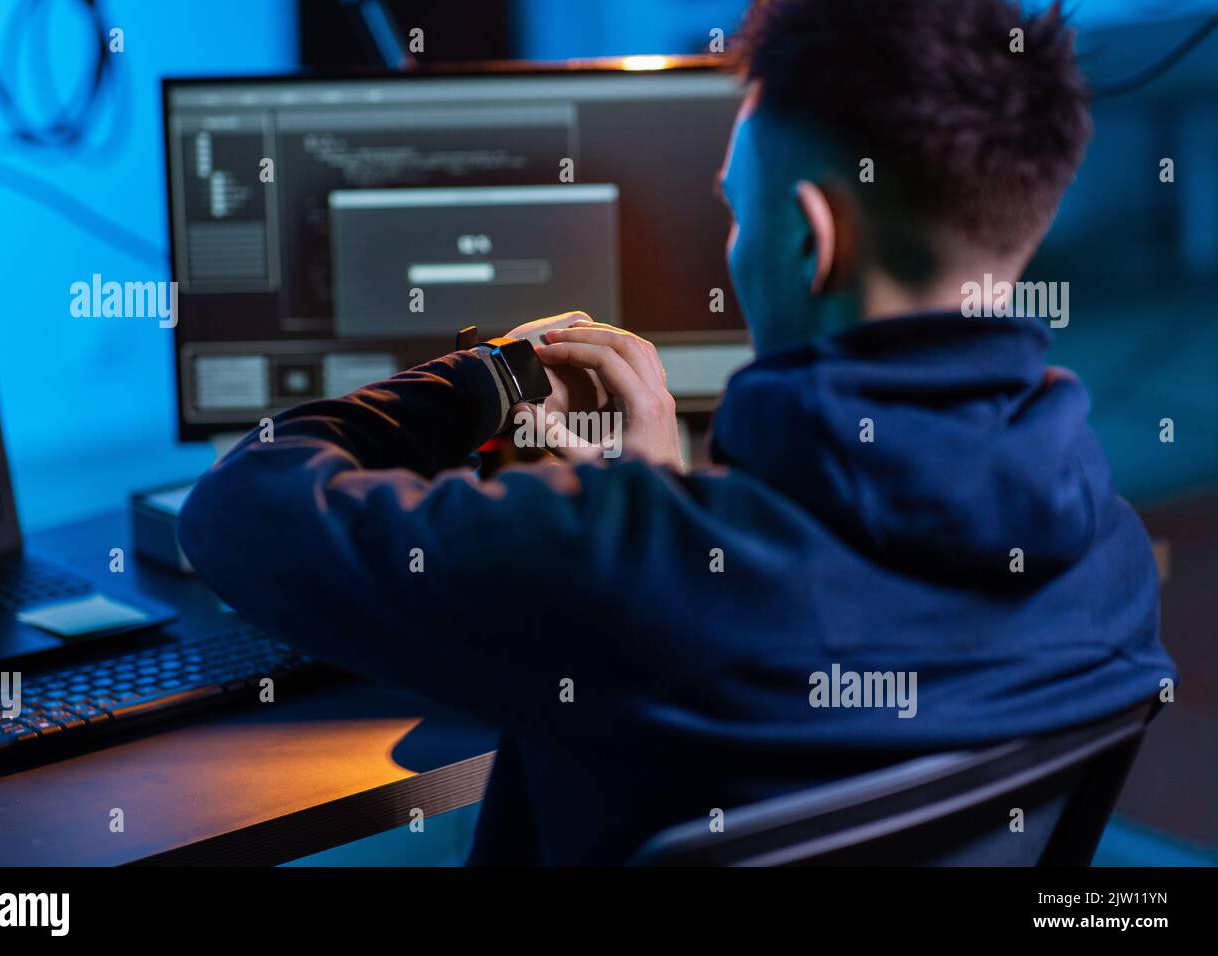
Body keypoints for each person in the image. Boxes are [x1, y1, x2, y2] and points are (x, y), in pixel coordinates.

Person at [177, 0, 1176, 865]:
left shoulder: (613, 566)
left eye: (735, 214)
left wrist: (491, 375)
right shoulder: (1113, 558)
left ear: (805, 238)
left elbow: (241, 506)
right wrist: (672, 501)